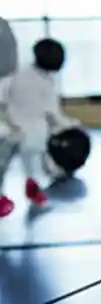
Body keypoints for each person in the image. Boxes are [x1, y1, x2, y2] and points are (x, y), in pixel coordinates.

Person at [0, 39, 77, 217]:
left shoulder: (17, 76)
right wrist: (72, 125)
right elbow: (53, 114)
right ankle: (34, 190)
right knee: (32, 166)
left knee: (4, 166)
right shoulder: (46, 83)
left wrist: (8, 121)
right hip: (35, 133)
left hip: (11, 130)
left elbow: (2, 98)